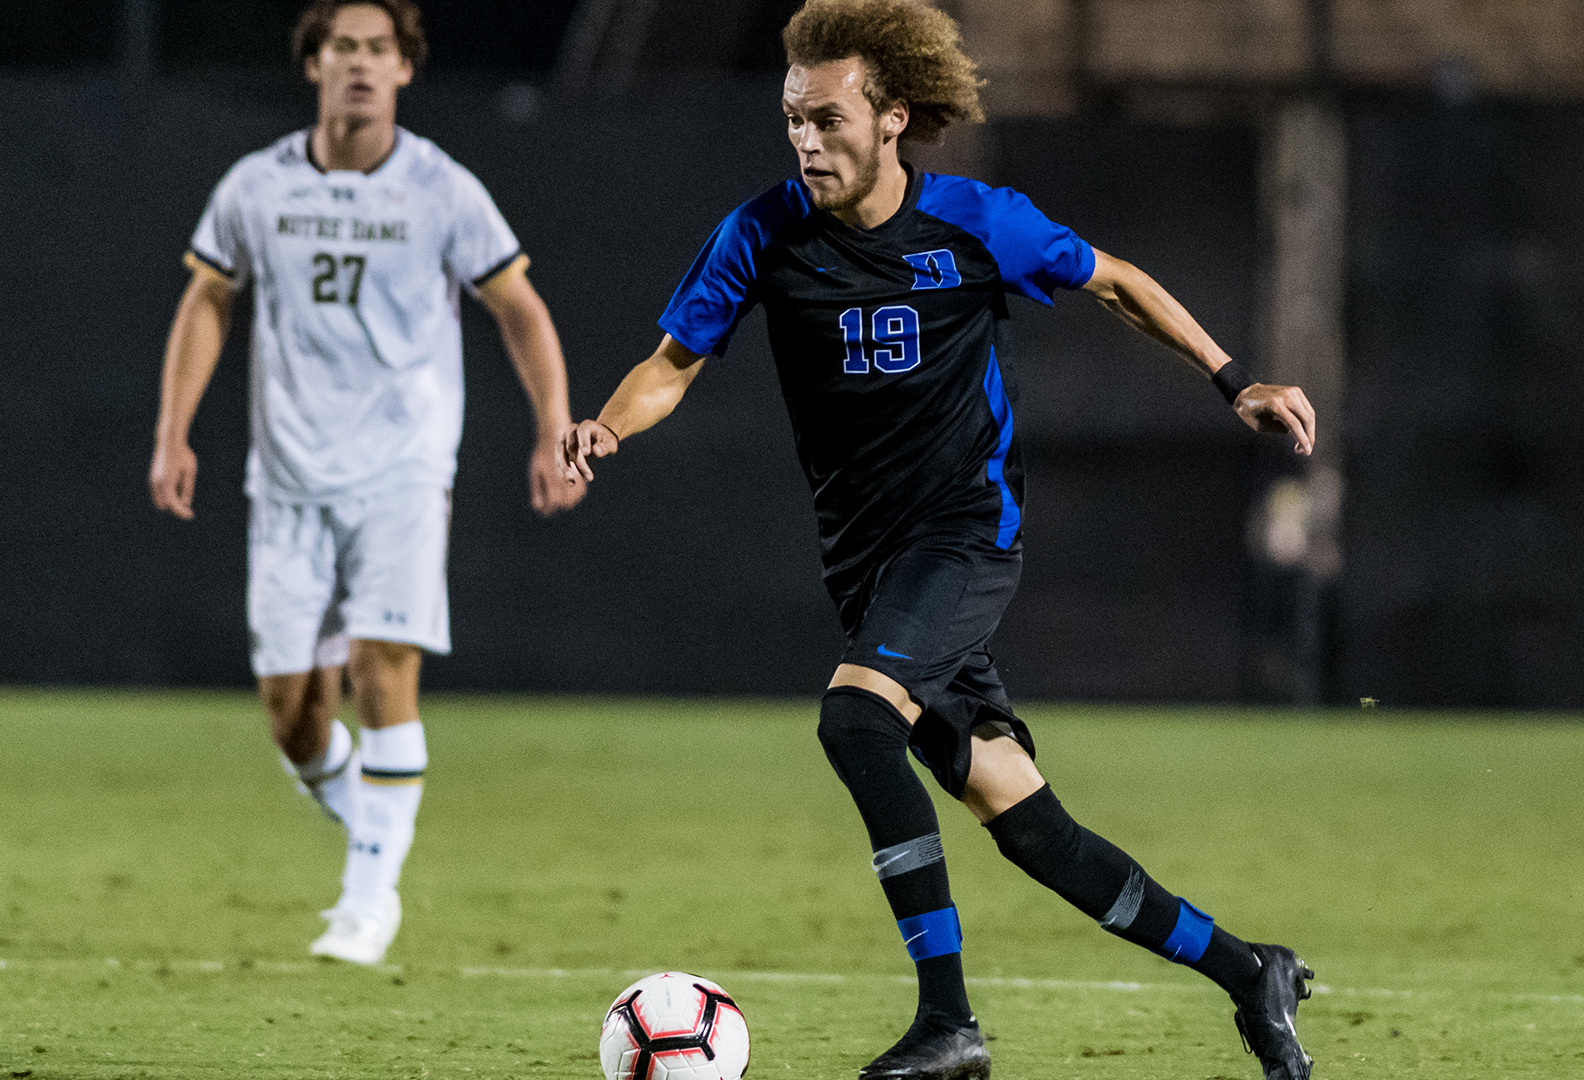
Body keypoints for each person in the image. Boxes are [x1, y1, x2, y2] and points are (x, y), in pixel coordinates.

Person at [560, 1, 1316, 1078]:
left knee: (856, 723)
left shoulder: (974, 222)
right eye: (793, 120)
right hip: (869, 567)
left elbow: (1116, 283)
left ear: (892, 118)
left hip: (963, 537)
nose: (806, 141)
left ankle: (947, 1023)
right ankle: (1254, 975)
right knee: (1027, 822)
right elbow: (674, 362)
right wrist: (606, 424)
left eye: (827, 119)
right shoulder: (762, 233)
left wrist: (1234, 379)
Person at [150, 0, 585, 966]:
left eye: (377, 49)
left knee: (383, 669)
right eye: (341, 46)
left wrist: (553, 424)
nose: (358, 63)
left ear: (403, 70)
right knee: (293, 716)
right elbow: (208, 299)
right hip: (290, 476)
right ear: (314, 64)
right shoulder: (256, 186)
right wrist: (173, 432)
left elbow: (519, 305)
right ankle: (377, 835)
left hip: (401, 467)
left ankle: (367, 901)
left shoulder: (441, 188)